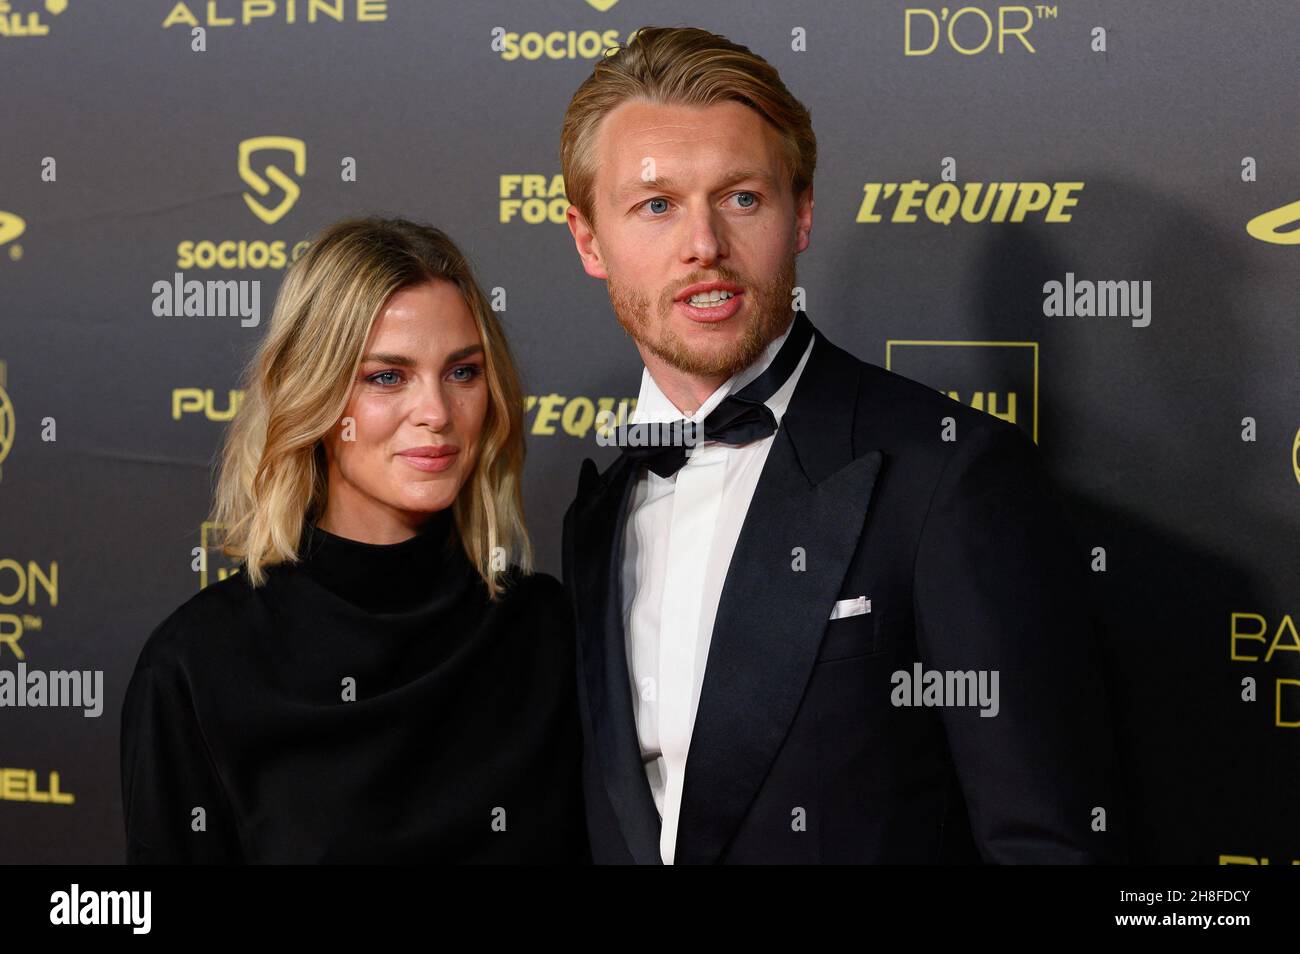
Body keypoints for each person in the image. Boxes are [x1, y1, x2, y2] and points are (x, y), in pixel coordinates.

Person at [559, 27, 1128, 864]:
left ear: (803, 215)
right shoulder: (598, 516)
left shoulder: (948, 477)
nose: (704, 246)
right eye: (656, 205)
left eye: (742, 198)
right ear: (588, 240)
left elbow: (1051, 847)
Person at [120, 217, 587, 863]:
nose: (437, 413)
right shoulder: (197, 666)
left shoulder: (548, 634)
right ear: (311, 394)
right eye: (386, 377)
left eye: (463, 372)